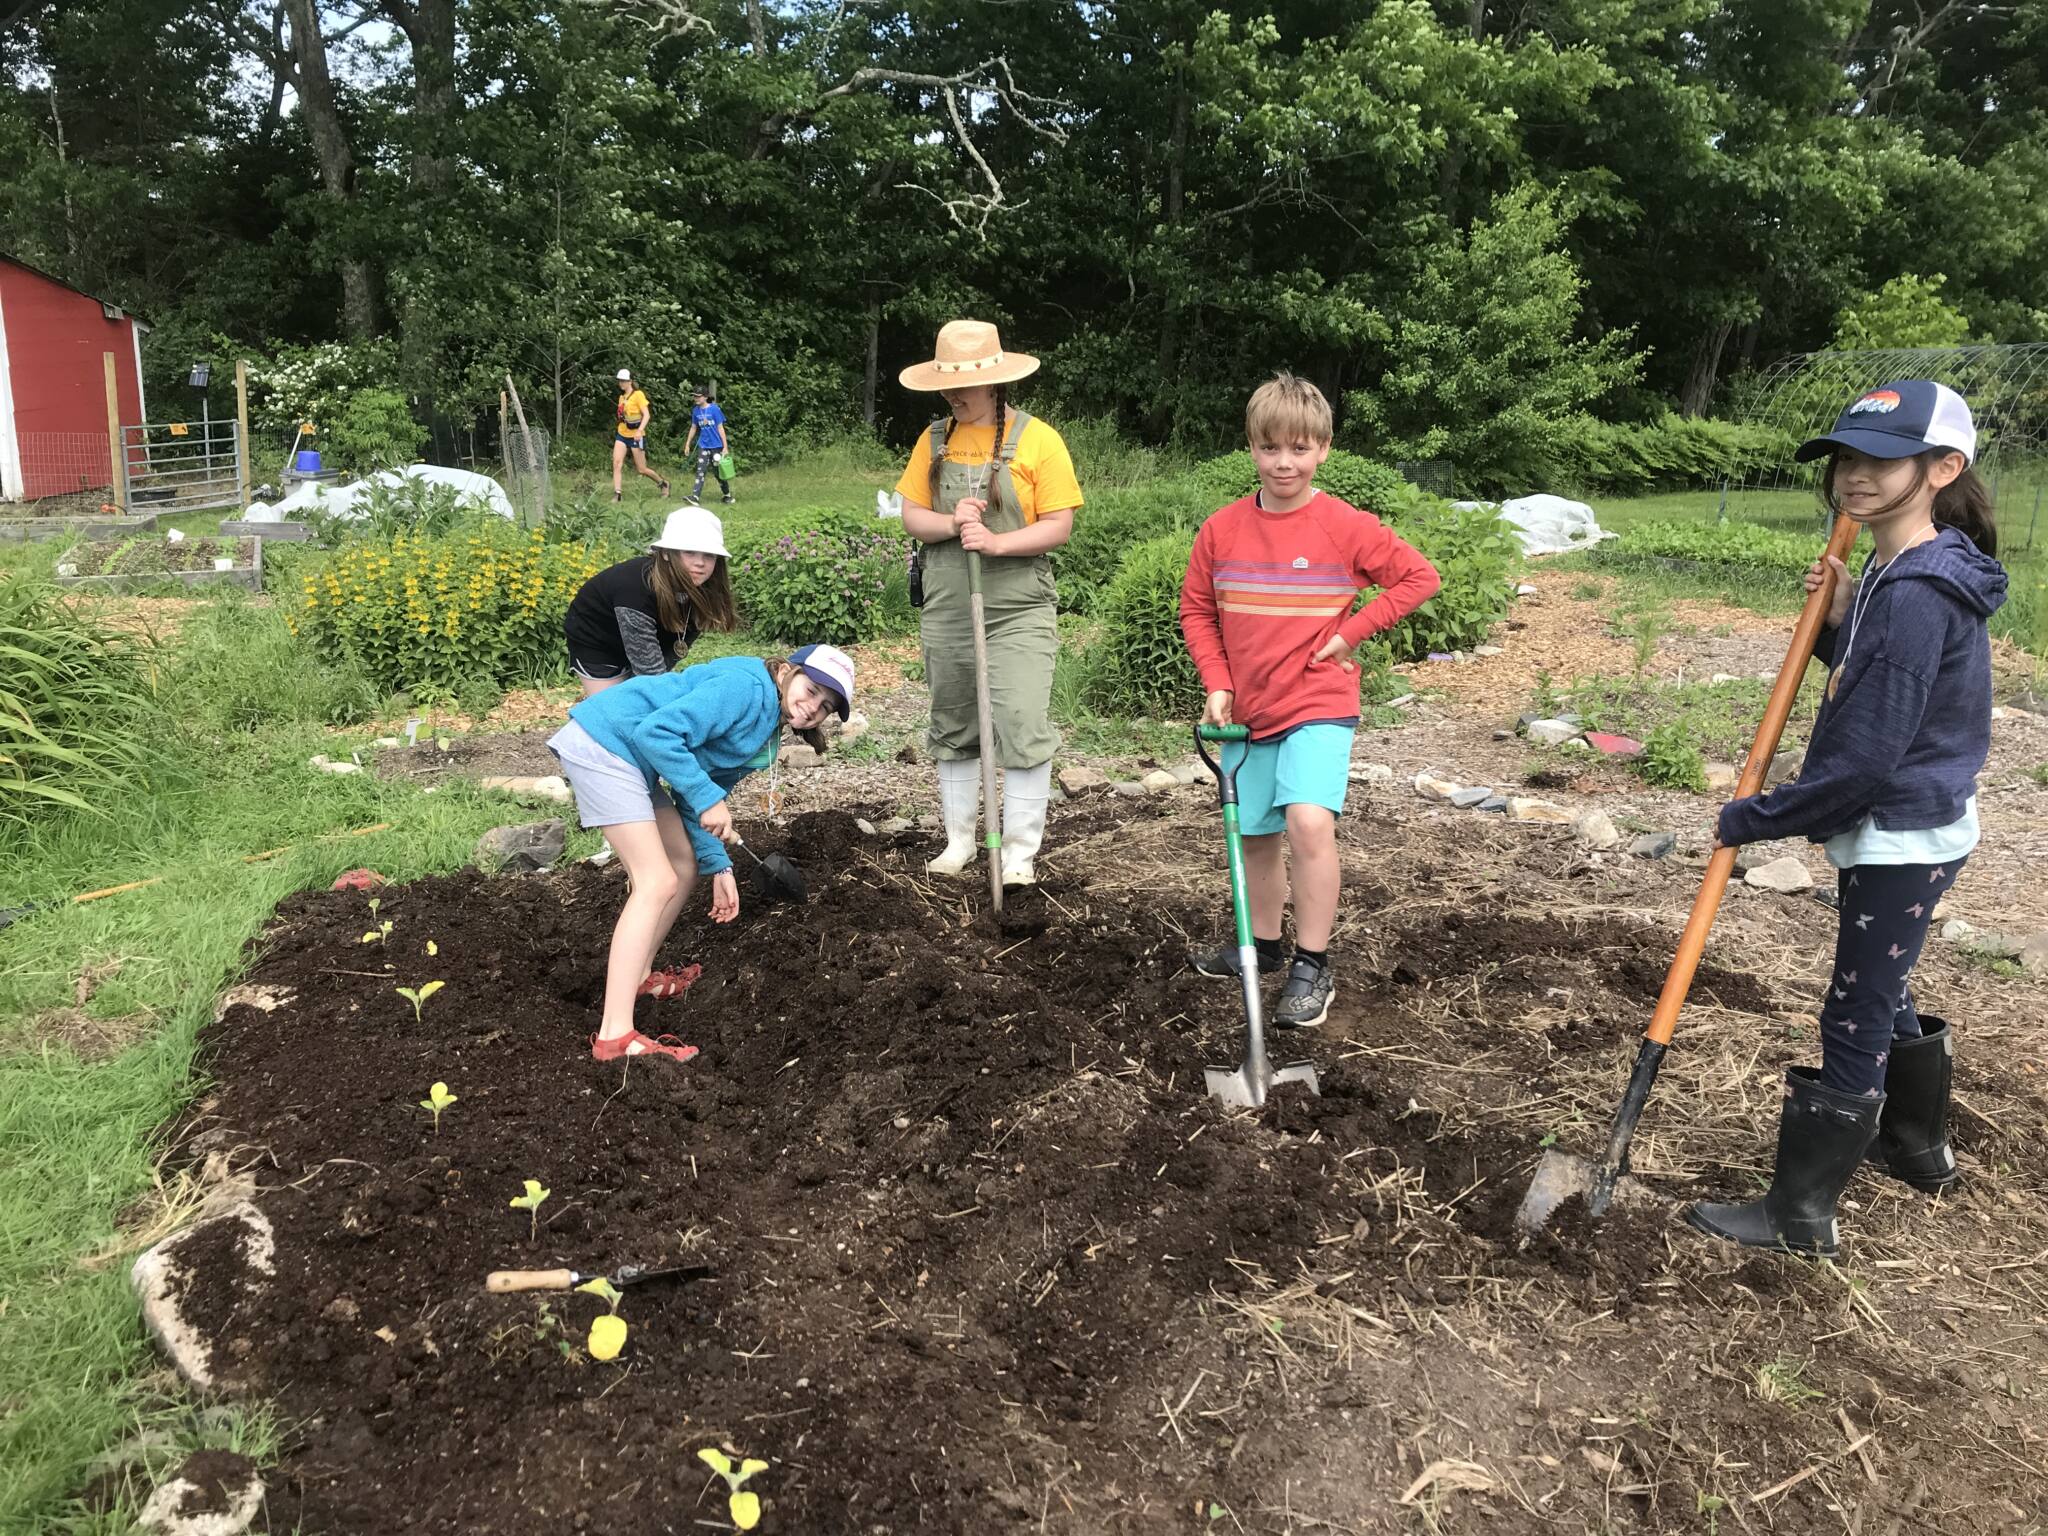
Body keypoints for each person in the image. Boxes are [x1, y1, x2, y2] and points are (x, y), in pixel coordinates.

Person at [1686, 380, 2005, 1257]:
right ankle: (1917, 1147)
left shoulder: (1912, 591)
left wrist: (1756, 818)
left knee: (1857, 1008)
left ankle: (1799, 1216)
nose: (1855, 479)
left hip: (1901, 826)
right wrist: (1834, 620)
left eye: (1881, 460)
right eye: (1846, 460)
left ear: (1944, 468)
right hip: (1921, 820)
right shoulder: (1899, 569)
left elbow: (1865, 760)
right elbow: (1886, 682)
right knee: (1888, 981)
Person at [1179, 373, 1440, 1029]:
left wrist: (1351, 632)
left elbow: (1417, 577)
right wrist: (1217, 680)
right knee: (1259, 838)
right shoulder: (1221, 530)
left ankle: (1311, 965)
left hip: (1319, 700)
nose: (1285, 462)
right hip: (1249, 712)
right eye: (1271, 449)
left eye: (1299, 448)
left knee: (1308, 822)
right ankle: (1262, 949)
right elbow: (1197, 610)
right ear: (1252, 449)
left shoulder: (1342, 526)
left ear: (1323, 449)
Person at [546, 645, 856, 1064]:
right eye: (812, 689)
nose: (813, 706)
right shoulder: (745, 690)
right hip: (606, 744)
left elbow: (698, 797)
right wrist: (709, 799)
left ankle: (638, 977)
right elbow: (656, 733)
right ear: (786, 670)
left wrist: (720, 865)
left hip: (634, 759)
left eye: (825, 706)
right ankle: (614, 1036)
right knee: (655, 881)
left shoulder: (767, 731)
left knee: (683, 865)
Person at [896, 320, 1083, 886]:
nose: (956, 395)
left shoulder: (1038, 440)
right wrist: (953, 522)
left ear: (996, 382)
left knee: (1021, 720)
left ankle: (1019, 854)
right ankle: (959, 842)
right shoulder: (932, 440)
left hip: (1018, 606)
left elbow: (1059, 525)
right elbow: (911, 516)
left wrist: (997, 542)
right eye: (948, 385)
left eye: (968, 384)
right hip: (949, 602)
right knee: (954, 721)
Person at [564, 506, 739, 697]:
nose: (700, 562)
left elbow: (667, 656)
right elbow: (650, 676)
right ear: (665, 553)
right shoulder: (635, 590)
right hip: (598, 641)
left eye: (709, 555)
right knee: (614, 712)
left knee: (645, 700)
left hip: (649, 639)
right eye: (689, 552)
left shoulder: (704, 588)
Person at [611, 367, 671, 503]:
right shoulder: (621, 397)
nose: (621, 383)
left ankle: (663, 483)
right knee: (616, 463)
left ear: (630, 381)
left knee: (642, 469)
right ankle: (617, 493)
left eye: (624, 381)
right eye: (620, 381)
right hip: (622, 434)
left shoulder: (638, 395)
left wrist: (639, 431)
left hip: (636, 435)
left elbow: (647, 415)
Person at [684, 388, 736, 505]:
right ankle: (695, 497)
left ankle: (727, 495)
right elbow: (693, 427)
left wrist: (725, 447)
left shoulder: (714, 409)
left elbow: (720, 428)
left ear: (705, 397)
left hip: (716, 446)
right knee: (700, 470)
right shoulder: (696, 411)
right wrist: (687, 444)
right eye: (694, 396)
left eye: (698, 396)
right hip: (703, 445)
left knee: (718, 472)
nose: (696, 398)